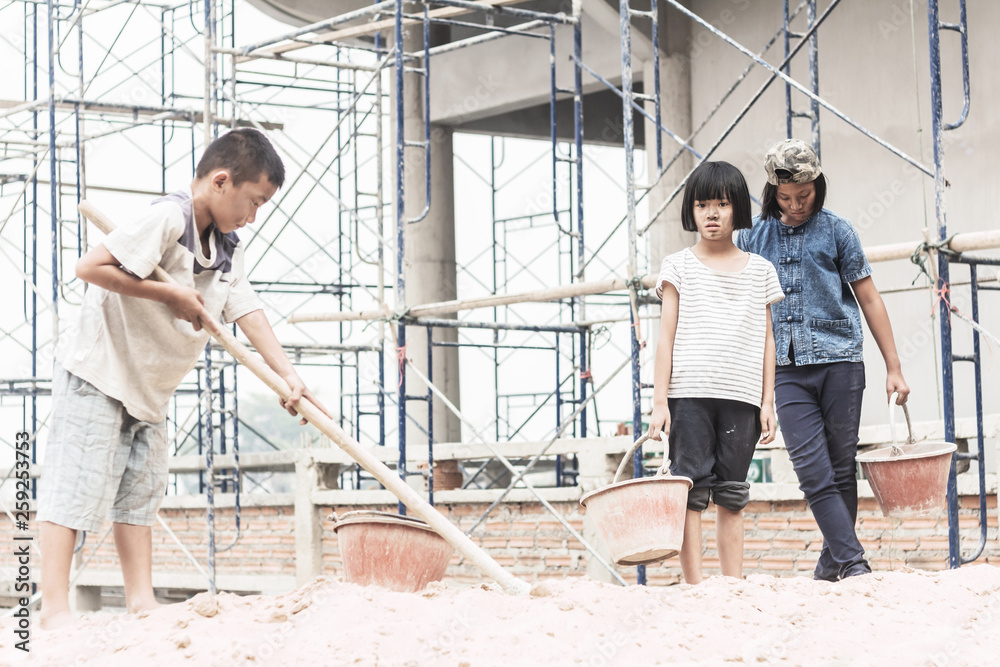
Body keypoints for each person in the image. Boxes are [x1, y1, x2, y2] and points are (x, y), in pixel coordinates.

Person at [37, 128, 327, 628]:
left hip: (150, 387)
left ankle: (140, 601)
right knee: (76, 488)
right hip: (101, 371)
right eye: (252, 201)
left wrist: (288, 378)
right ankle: (53, 610)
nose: (252, 216)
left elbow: (247, 309)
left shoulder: (227, 246)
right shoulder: (169, 218)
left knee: (140, 493)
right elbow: (90, 267)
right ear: (220, 182)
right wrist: (168, 295)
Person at [737, 138, 910, 580]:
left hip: (841, 363)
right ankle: (854, 563)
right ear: (771, 192)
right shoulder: (752, 238)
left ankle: (830, 569)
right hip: (787, 371)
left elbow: (869, 299)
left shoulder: (838, 230)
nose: (796, 205)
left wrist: (894, 366)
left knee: (839, 468)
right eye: (786, 198)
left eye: (805, 196)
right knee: (813, 473)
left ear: (819, 186)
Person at [648, 161, 784, 584]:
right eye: (703, 204)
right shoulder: (677, 265)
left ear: (737, 208)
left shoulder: (761, 270)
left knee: (732, 494)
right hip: (688, 395)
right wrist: (658, 402)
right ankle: (694, 586)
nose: (711, 213)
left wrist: (767, 401)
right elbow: (665, 337)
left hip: (742, 399)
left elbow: (767, 341)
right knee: (690, 490)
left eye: (721, 204)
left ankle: (732, 586)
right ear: (691, 210)